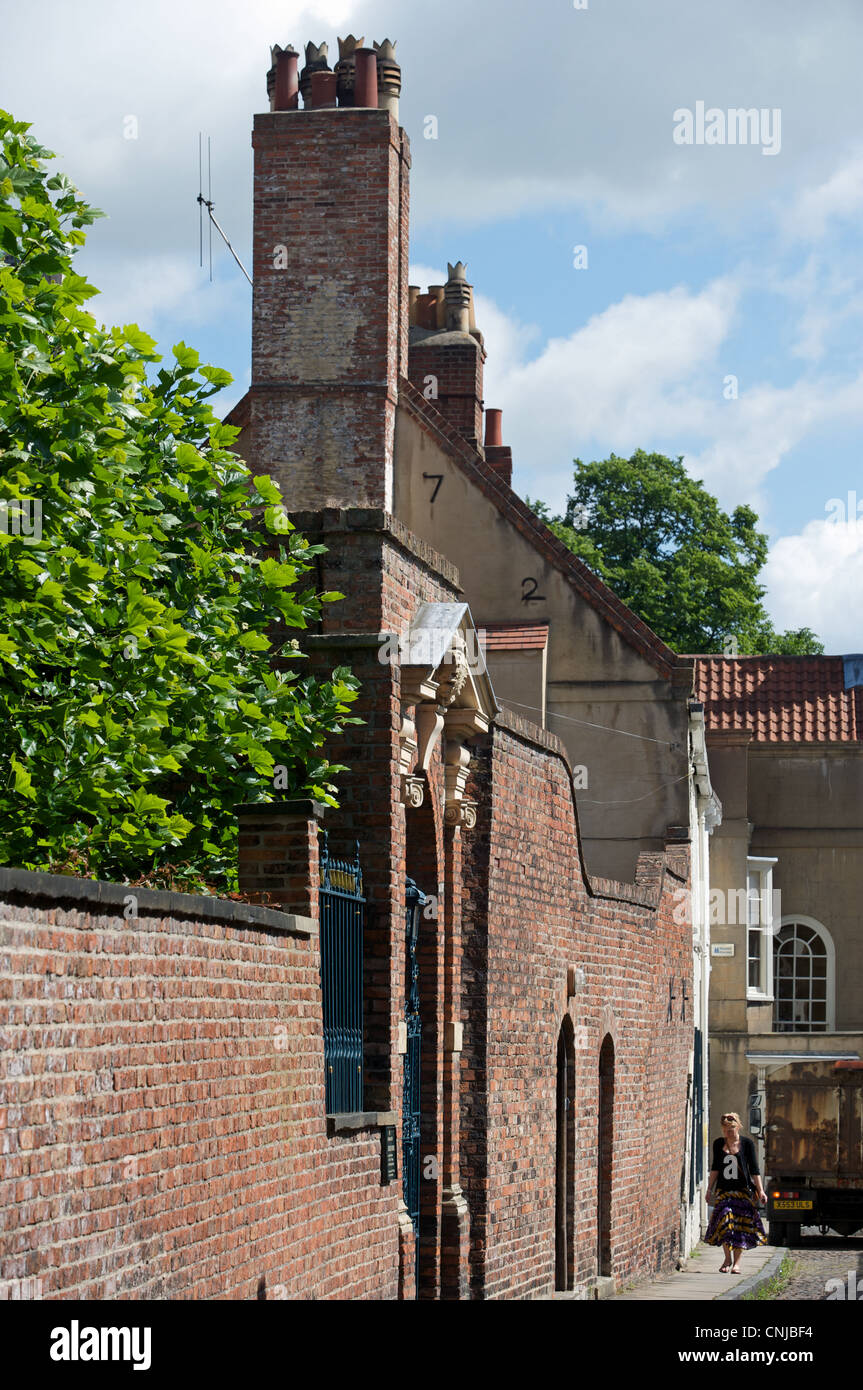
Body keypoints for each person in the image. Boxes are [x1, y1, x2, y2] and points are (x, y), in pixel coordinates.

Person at [704, 1111, 768, 1273]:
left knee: (740, 1227)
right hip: (724, 1192)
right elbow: (715, 1168)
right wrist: (709, 1189)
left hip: (742, 1192)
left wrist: (761, 1191)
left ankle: (737, 1263)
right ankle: (727, 1258)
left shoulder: (746, 1144)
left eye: (731, 1128)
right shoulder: (718, 1143)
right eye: (725, 1129)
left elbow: (754, 1169)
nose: (728, 1132)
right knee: (725, 1223)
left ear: (738, 1127)